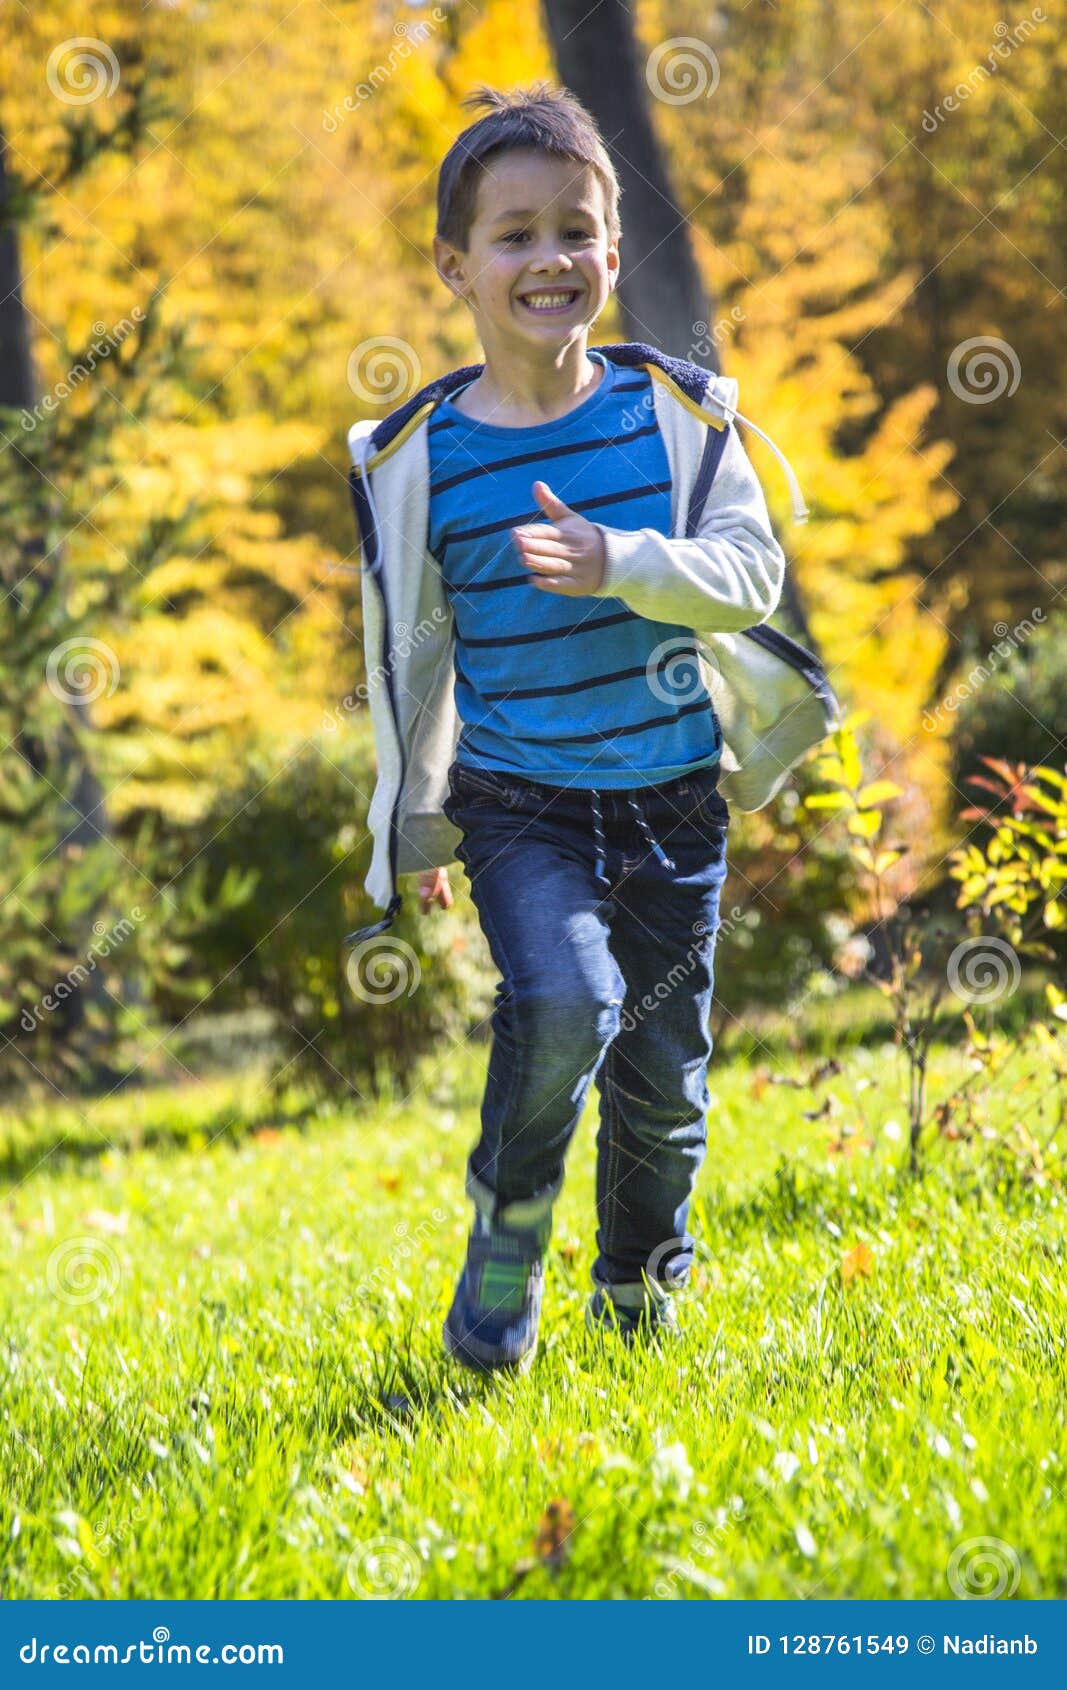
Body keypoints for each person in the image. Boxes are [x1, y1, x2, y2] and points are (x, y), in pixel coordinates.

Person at [344, 83, 838, 1373]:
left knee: (665, 1089)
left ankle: (636, 1296)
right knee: (566, 1003)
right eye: (514, 235)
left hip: (671, 796)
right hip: (521, 807)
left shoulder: (673, 417)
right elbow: (414, 660)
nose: (549, 257)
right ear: (456, 265)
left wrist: (621, 558)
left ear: (614, 256)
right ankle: (508, 1236)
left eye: (576, 231)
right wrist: (423, 817)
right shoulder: (426, 460)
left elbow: (751, 577)